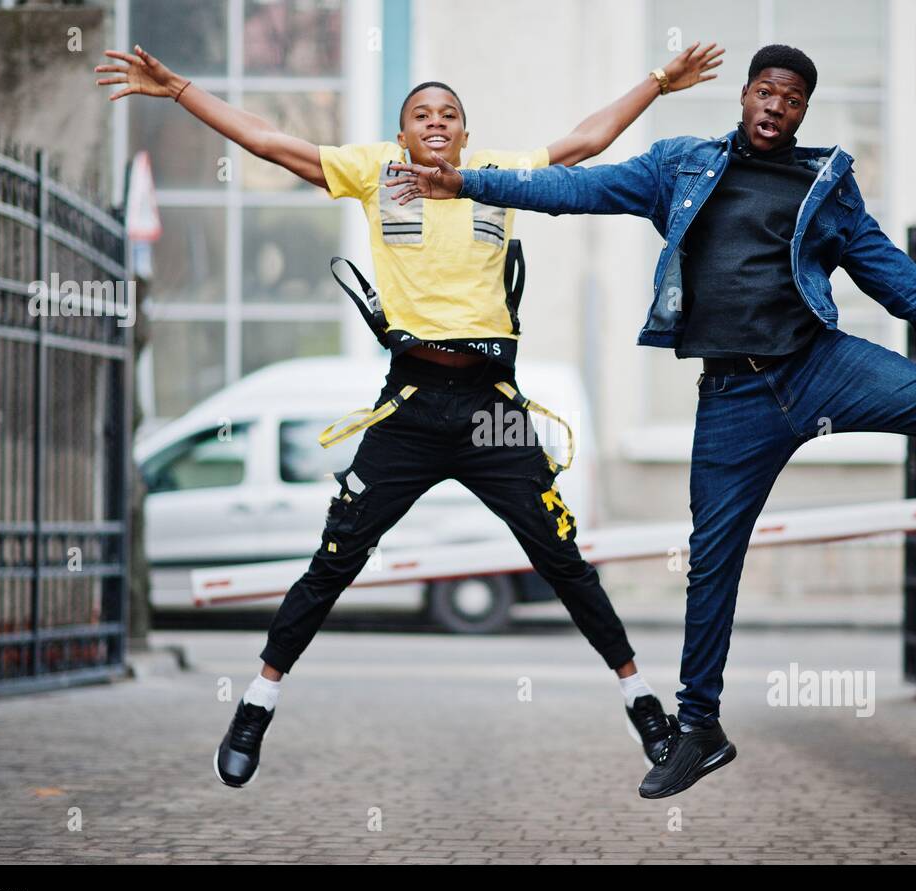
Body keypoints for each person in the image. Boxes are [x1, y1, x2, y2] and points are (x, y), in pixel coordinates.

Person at [385, 42, 916, 800]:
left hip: (823, 364)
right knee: (711, 560)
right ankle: (699, 727)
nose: (776, 108)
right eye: (766, 93)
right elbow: (575, 189)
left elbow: (901, 283)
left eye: (792, 101)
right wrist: (470, 184)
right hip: (733, 399)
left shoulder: (824, 186)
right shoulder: (679, 167)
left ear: (802, 113)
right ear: (745, 97)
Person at [95, 40, 727, 787]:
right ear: (402, 135)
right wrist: (179, 91)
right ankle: (256, 705)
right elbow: (268, 142)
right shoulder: (375, 174)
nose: (436, 122)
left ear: (466, 132)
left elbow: (587, 140)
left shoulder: (495, 177)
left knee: (562, 558)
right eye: (421, 114)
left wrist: (659, 81)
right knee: (335, 559)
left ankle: (643, 705)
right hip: (412, 406)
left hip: (491, 408)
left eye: (449, 114)